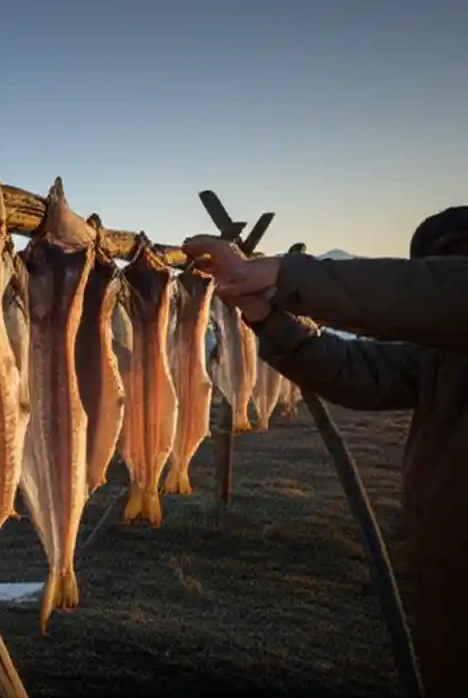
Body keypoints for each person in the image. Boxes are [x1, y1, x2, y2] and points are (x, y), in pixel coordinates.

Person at [182, 206, 468, 698]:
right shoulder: (444, 357)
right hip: (445, 573)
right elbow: (359, 370)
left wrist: (282, 273)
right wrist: (271, 320)